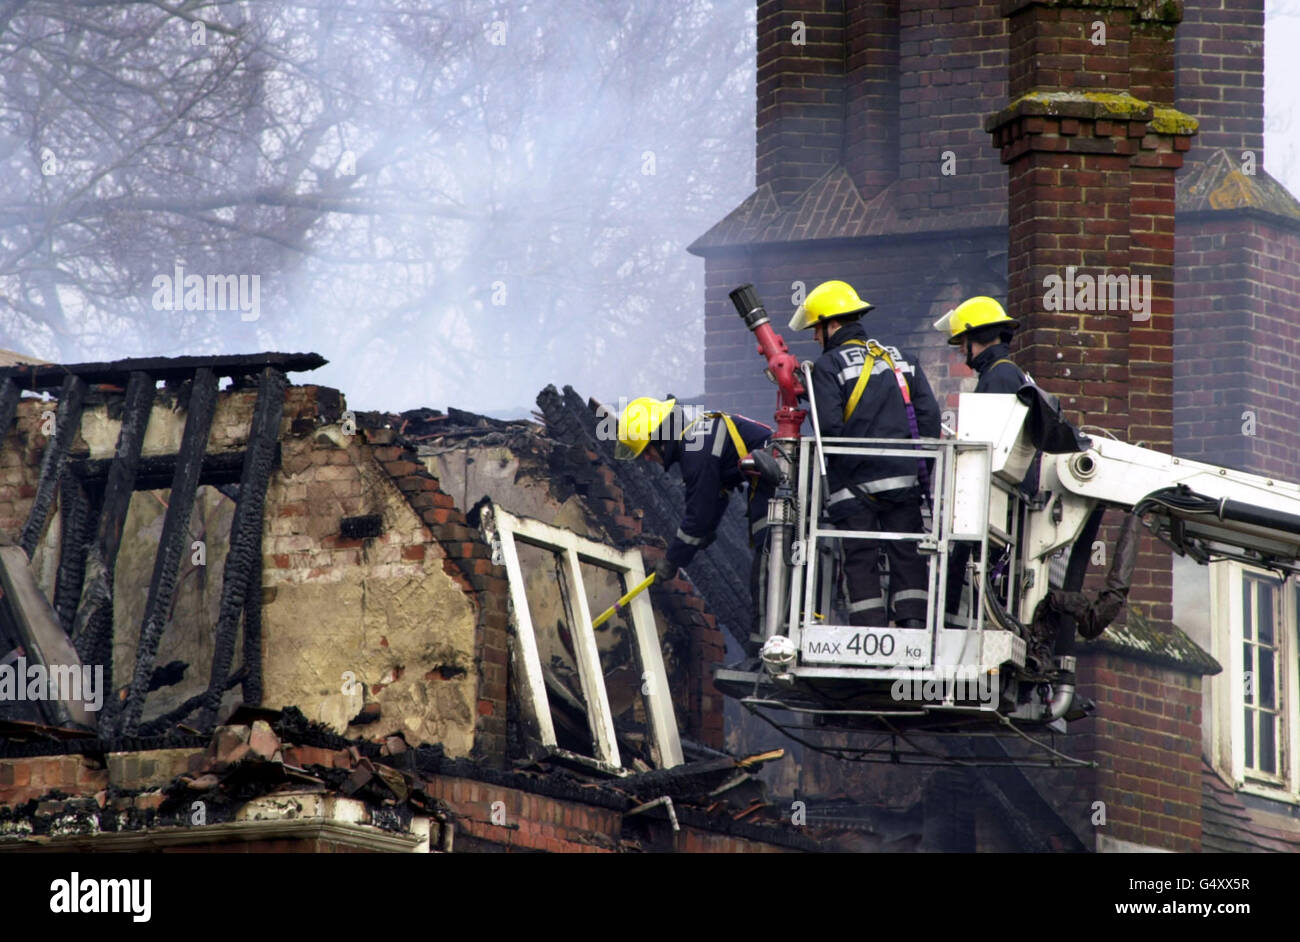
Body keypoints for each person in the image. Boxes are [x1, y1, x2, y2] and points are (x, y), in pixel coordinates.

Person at [792, 280, 941, 629]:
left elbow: (828, 428)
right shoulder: (903, 359)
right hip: (904, 482)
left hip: (853, 488)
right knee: (907, 553)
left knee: (860, 557)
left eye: (816, 329)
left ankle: (868, 631)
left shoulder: (827, 367)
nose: (815, 337)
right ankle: (912, 625)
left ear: (832, 324)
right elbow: (929, 420)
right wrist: (916, 467)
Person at [615, 396, 773, 651]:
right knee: (767, 572)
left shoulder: (694, 450)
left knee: (768, 573)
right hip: (773, 483)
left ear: (661, 439)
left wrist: (672, 561)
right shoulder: (698, 437)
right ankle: (764, 650)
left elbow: (697, 514)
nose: (646, 459)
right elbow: (717, 495)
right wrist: (706, 529)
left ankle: (763, 653)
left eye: (646, 450)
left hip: (776, 486)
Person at [934, 296, 1032, 628]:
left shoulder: (1000, 376)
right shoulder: (1004, 373)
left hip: (991, 503)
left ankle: (951, 625)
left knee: (963, 563)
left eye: (963, 341)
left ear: (978, 337)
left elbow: (991, 449)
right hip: (996, 503)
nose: (962, 350)